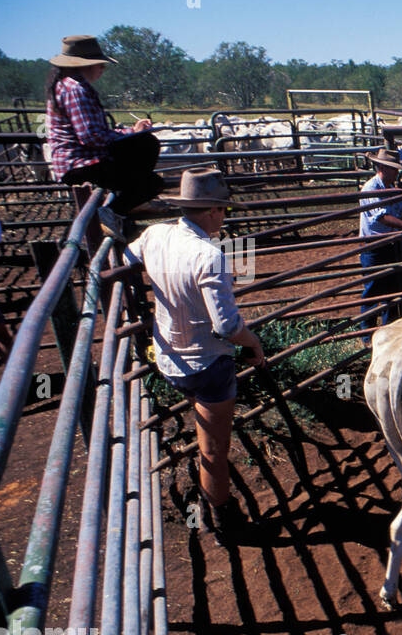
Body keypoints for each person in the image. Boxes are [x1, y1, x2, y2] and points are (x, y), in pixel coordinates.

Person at [130, 167, 265, 542]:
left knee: (203, 425)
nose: (224, 217)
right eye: (223, 210)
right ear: (212, 211)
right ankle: (223, 517)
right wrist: (253, 343)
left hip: (168, 355)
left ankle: (212, 504)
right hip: (206, 363)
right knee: (214, 449)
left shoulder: (154, 235)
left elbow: (126, 256)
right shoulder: (209, 255)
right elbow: (226, 326)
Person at [44, 34, 164, 231]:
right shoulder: (76, 89)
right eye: (99, 64)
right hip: (80, 163)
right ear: (83, 65)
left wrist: (132, 131)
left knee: (145, 157)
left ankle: (121, 206)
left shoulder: (67, 85)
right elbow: (90, 136)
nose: (102, 69)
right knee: (149, 171)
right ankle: (112, 213)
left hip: (76, 161)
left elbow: (94, 132)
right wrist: (129, 136)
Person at [357, 148, 402, 328]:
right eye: (393, 169)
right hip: (374, 245)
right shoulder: (371, 188)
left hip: (389, 243)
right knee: (373, 289)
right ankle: (366, 333)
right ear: (381, 167)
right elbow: (381, 217)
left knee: (391, 289)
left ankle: (388, 328)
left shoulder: (389, 188)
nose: (396, 172)